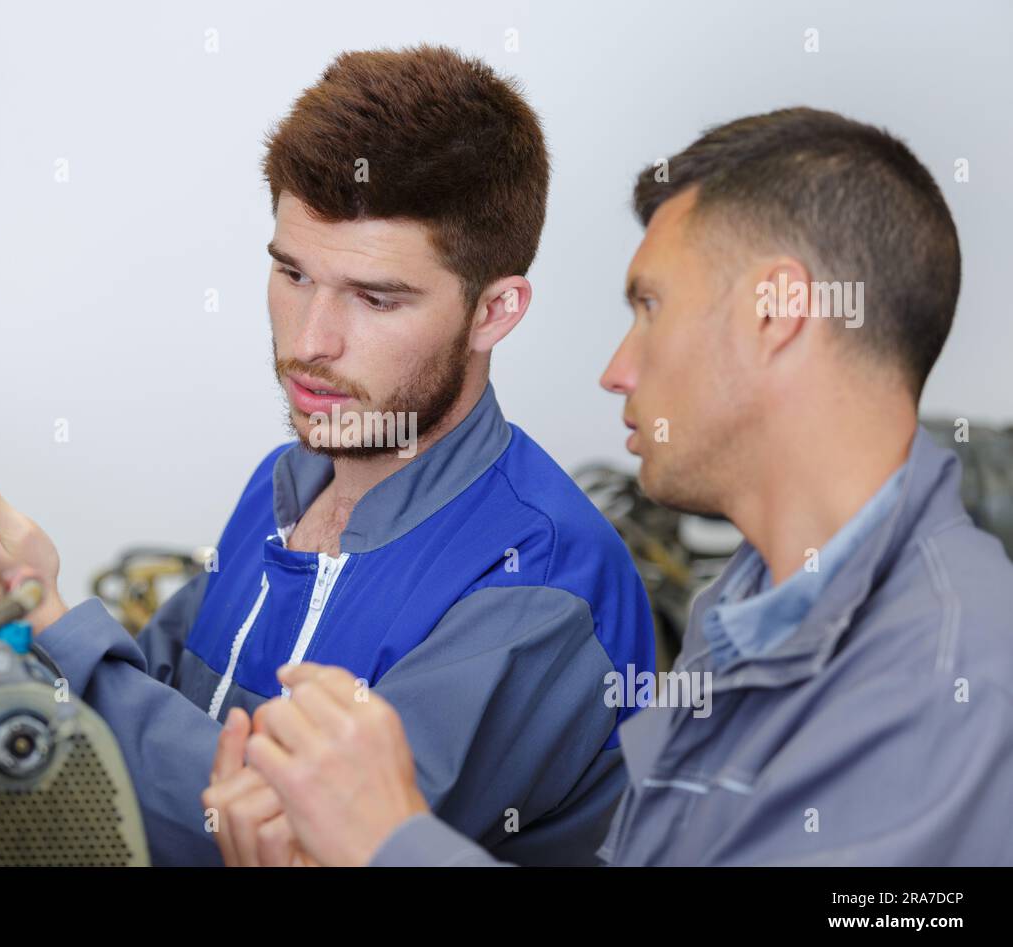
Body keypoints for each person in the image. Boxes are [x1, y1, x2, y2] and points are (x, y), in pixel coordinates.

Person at [0, 45, 655, 866]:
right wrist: (15, 599)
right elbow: (151, 702)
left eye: (376, 298)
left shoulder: (540, 583)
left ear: (494, 311)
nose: (310, 344)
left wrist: (50, 618)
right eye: (293, 275)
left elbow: (298, 838)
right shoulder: (286, 484)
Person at [223, 107, 1013, 866]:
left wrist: (388, 845)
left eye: (651, 306)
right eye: (292, 273)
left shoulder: (956, 678)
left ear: (779, 314)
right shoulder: (742, 614)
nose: (615, 371)